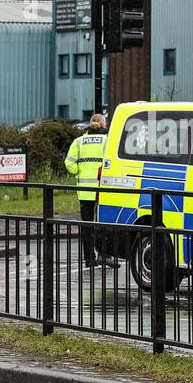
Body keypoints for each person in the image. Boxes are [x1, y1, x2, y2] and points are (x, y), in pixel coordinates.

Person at [65, 113, 119, 268]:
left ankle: (89, 259)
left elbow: (69, 163)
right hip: (103, 188)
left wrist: (78, 171)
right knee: (104, 222)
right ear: (103, 125)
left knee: (87, 225)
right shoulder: (107, 141)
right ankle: (104, 254)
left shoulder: (79, 141)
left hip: (84, 189)